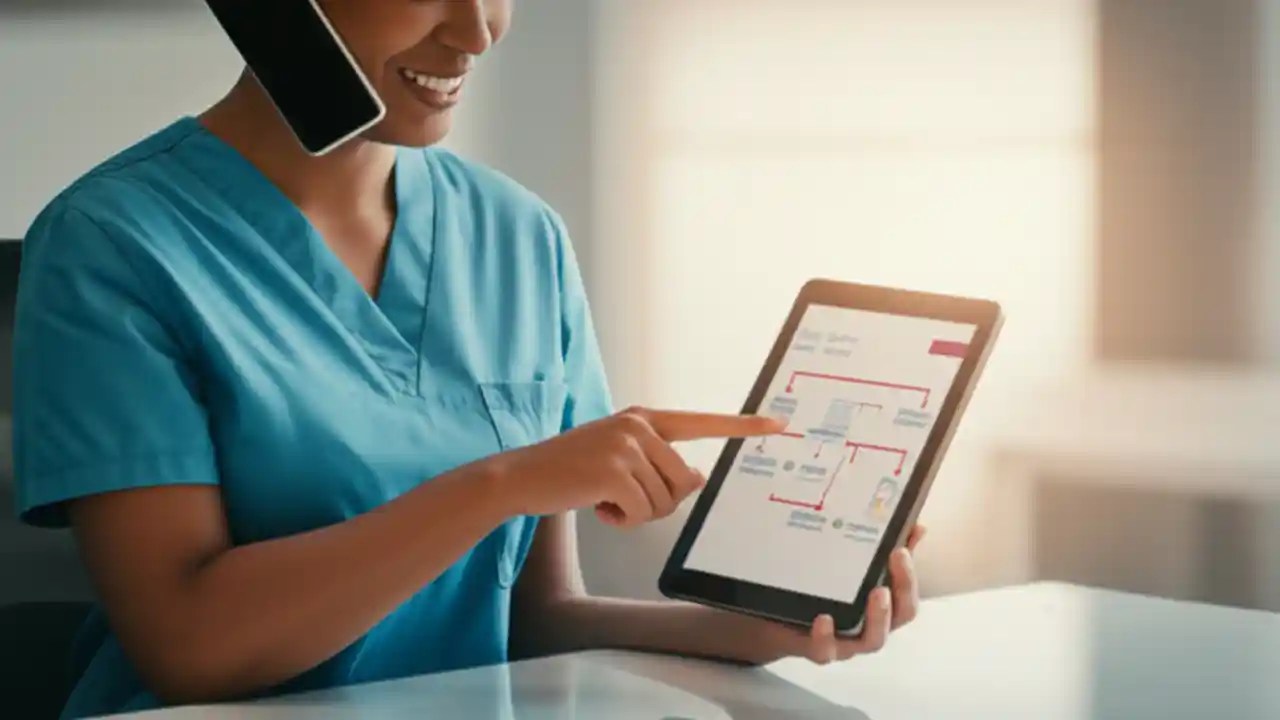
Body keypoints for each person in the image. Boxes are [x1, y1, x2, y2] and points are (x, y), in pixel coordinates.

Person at [12, 2, 925, 718]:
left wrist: (758, 630)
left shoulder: (520, 235)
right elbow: (188, 647)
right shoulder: (113, 245)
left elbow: (536, 621)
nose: (475, 29)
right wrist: (500, 483)